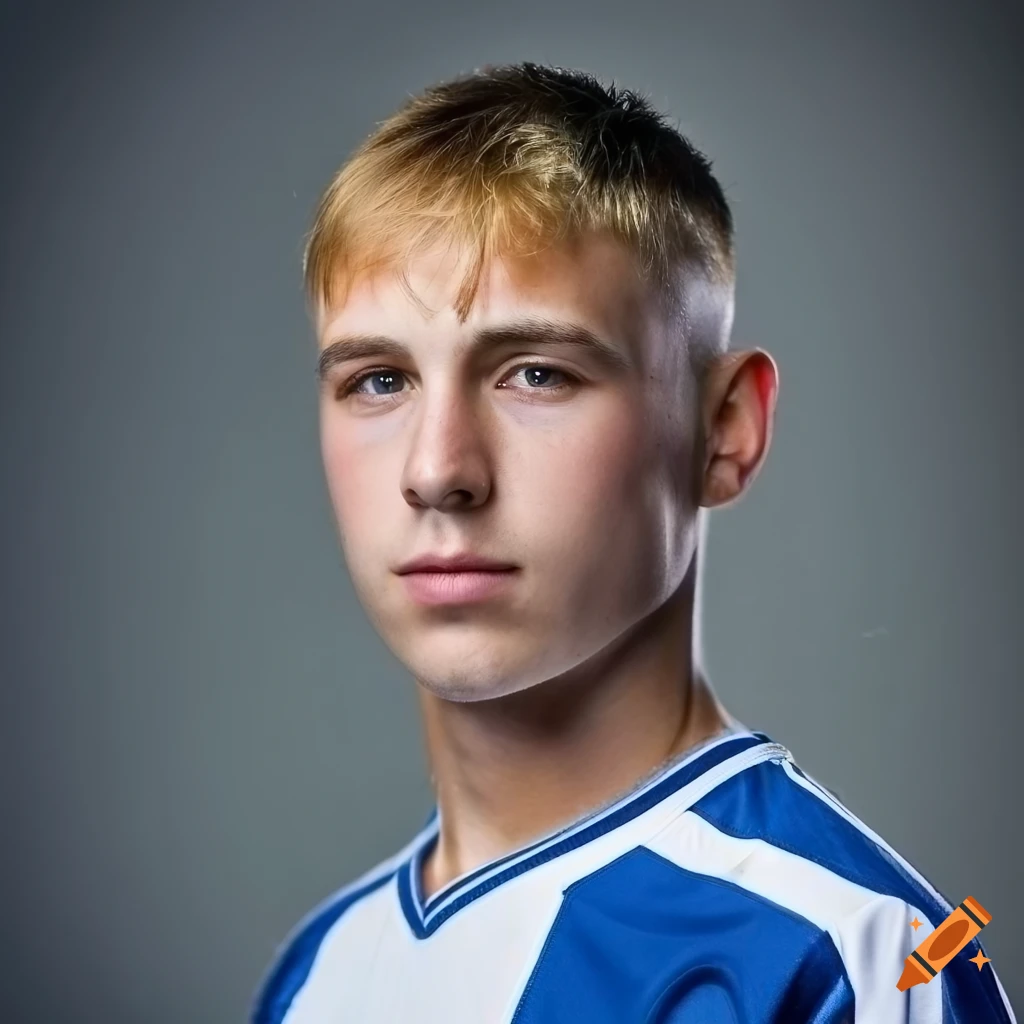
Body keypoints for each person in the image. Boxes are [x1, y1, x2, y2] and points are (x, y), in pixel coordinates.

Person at [253, 62, 1014, 1023]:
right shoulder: (319, 972)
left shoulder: (842, 954)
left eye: (537, 373)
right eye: (378, 381)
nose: (437, 470)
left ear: (724, 430)